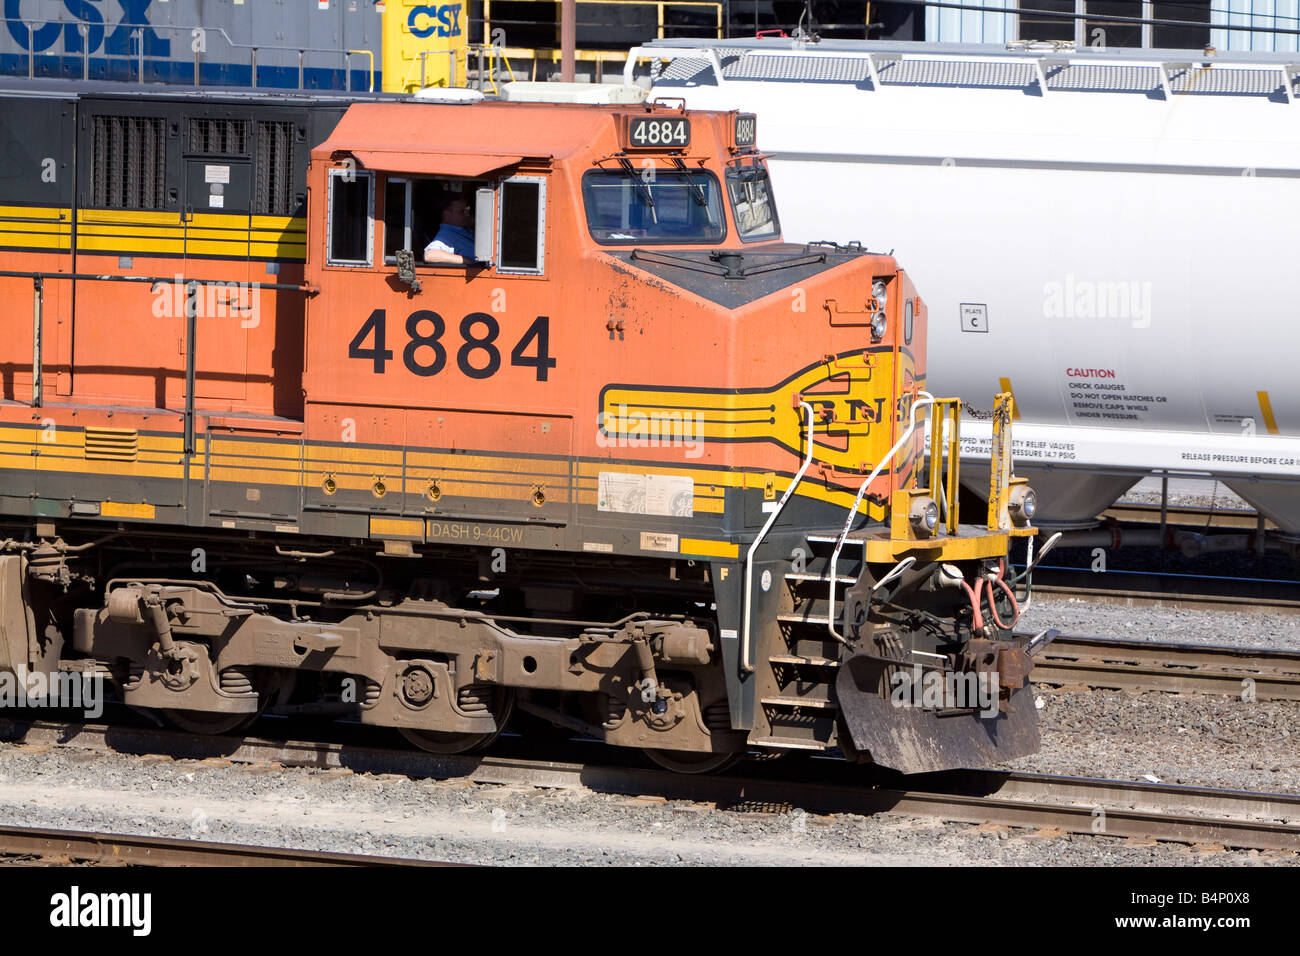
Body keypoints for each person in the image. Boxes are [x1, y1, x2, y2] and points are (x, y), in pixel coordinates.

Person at [423, 196, 475, 264]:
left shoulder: (462, 230)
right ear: (447, 214)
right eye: (462, 211)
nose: (467, 214)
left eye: (467, 210)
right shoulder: (446, 236)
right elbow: (429, 255)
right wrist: (466, 261)